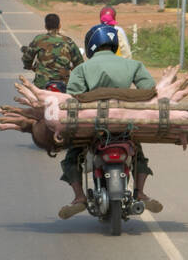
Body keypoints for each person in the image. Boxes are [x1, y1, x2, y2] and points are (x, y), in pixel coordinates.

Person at [58, 24, 162, 219]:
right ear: (114, 44)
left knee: (72, 156)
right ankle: (140, 193)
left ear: (91, 46)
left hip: (93, 126)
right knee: (138, 154)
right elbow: (148, 88)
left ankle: (79, 197)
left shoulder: (82, 68)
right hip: (124, 124)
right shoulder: (134, 65)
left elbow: (73, 95)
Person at [20, 13, 83, 90]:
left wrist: (29, 66)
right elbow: (79, 63)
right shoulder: (68, 41)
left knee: (35, 100)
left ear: (45, 26)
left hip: (42, 84)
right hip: (63, 84)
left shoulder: (39, 39)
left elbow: (27, 58)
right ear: (59, 26)